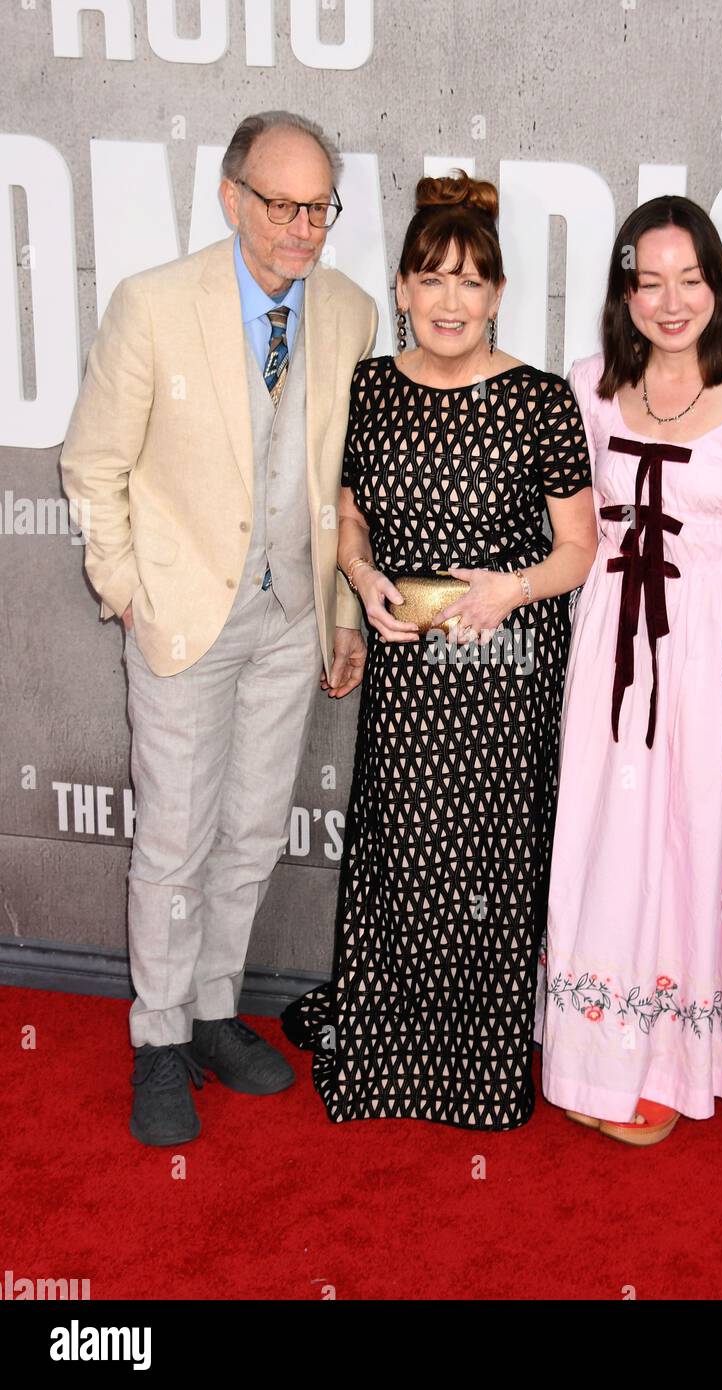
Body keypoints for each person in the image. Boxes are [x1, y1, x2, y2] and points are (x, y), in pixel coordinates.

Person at [59, 111, 377, 1147]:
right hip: (184, 618)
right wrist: (126, 588)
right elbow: (93, 464)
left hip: (290, 616)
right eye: (280, 203)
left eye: (318, 206)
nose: (300, 227)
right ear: (232, 197)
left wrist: (334, 609)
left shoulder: (351, 310)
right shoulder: (154, 306)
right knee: (174, 839)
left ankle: (210, 1011)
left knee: (247, 832)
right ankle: (156, 1038)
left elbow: (330, 479)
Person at [281, 170, 597, 1129]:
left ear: (496, 295)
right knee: (402, 859)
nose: (449, 301)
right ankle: (387, 1054)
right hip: (410, 670)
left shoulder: (541, 400)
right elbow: (350, 515)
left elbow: (579, 548)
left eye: (470, 282)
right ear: (404, 290)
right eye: (430, 279)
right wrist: (362, 579)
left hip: (505, 673)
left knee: (490, 868)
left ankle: (474, 1064)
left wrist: (513, 587)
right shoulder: (372, 386)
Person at [539, 195, 722, 1146]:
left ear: (716, 284)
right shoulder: (585, 386)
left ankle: (675, 1062)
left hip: (711, 673)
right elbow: (560, 527)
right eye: (648, 281)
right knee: (608, 851)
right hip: (607, 661)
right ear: (624, 291)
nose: (671, 302)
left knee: (690, 856)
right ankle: (598, 1057)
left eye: (689, 279)